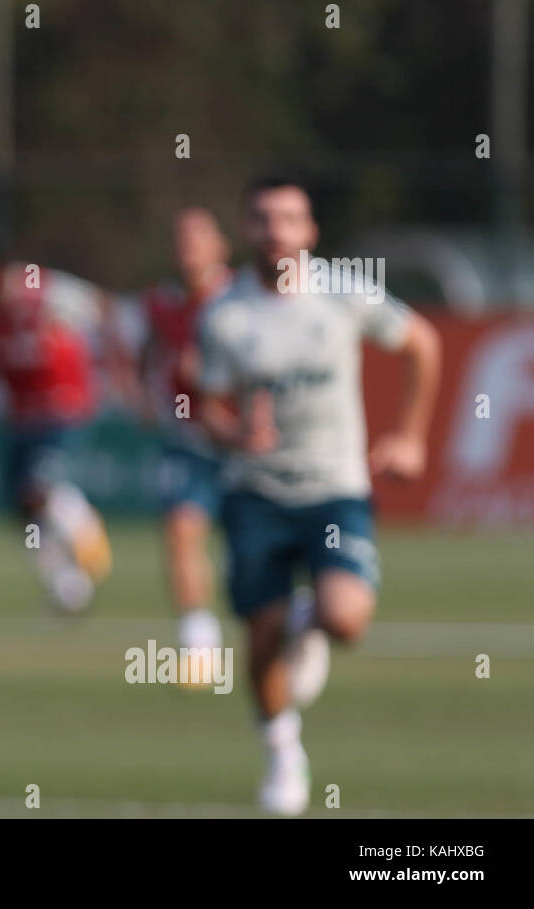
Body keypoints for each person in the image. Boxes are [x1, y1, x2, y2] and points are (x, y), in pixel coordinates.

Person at [197, 175, 441, 815]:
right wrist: (233, 433)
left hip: (335, 488)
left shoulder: (343, 294)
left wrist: (410, 436)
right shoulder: (224, 315)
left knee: (346, 618)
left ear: (309, 232)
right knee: (259, 635)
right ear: (246, 230)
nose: (275, 231)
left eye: (289, 218)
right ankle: (282, 750)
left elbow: (423, 344)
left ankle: (309, 621)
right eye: (262, 218)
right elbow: (204, 405)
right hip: (255, 494)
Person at [0, 249, 114, 612]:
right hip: (19, 414)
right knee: (20, 506)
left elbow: (101, 306)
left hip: (63, 405)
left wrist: (75, 340)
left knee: (38, 489)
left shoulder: (39, 288)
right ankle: (68, 585)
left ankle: (86, 532)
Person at [138, 208, 233, 682]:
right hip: (188, 441)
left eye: (197, 238)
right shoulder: (163, 302)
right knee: (180, 528)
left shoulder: (241, 299)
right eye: (179, 239)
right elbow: (147, 350)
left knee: (257, 549)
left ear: (222, 247)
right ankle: (199, 645)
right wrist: (143, 394)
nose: (187, 249)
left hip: (243, 448)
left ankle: (294, 621)